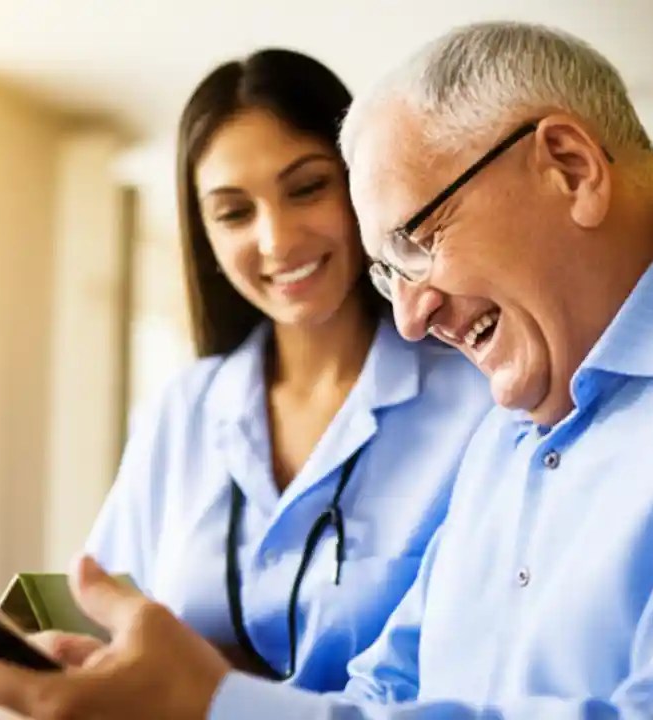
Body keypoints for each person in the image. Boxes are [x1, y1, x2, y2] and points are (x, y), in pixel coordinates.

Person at [0, 21, 653, 719]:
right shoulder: (510, 440)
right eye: (388, 270)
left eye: (418, 243)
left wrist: (216, 706)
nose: (412, 313)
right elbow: (378, 700)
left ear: (568, 166)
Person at [67, 48, 493, 691]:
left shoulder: (478, 396)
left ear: (361, 189)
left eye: (306, 188)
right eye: (235, 212)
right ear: (204, 234)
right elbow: (102, 621)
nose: (276, 240)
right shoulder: (182, 410)